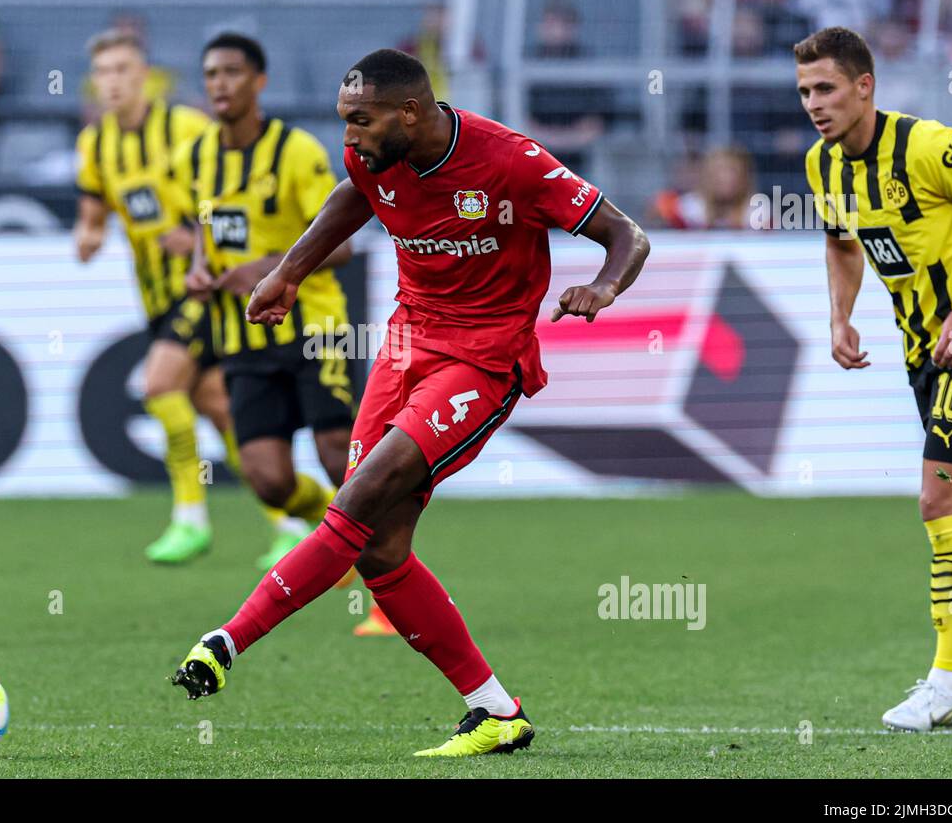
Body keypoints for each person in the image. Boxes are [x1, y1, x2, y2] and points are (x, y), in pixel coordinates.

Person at [169, 48, 650, 756]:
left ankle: (226, 642)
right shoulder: (374, 152)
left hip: (485, 358)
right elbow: (354, 196)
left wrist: (602, 289)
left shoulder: (510, 161)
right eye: (344, 121)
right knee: (380, 547)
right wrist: (288, 272)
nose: (350, 138)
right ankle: (495, 711)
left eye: (360, 122)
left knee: (358, 499)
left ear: (410, 112)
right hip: (406, 344)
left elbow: (626, 235)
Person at [797, 26, 952, 732]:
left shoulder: (926, 146)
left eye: (825, 88)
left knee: (938, 499)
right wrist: (840, 318)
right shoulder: (822, 167)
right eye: (803, 92)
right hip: (927, 350)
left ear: (865, 86)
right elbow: (840, 242)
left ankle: (946, 685)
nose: (814, 104)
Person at [74, 28, 309, 565]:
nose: (112, 82)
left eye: (122, 70)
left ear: (145, 74)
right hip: (157, 297)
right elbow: (93, 215)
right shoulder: (96, 144)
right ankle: (293, 524)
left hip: (203, 289)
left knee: (158, 385)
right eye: (103, 72)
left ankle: (190, 518)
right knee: (219, 409)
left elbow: (233, 191)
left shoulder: (185, 127)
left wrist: (197, 237)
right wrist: (87, 236)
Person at [173, 33, 357, 575]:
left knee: (335, 456)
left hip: (313, 328)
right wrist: (199, 267)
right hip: (243, 338)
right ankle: (346, 531)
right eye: (210, 74)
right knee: (269, 479)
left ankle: (388, 585)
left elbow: (341, 245)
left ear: (259, 82)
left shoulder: (296, 151)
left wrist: (270, 270)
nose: (219, 84)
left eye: (231, 72)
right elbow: (205, 230)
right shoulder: (197, 157)